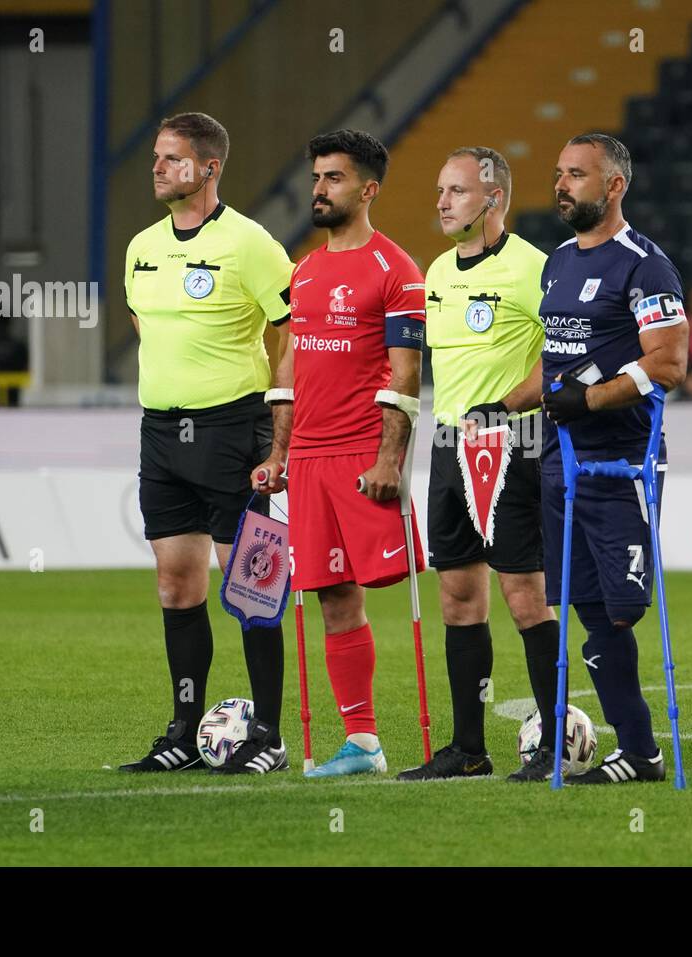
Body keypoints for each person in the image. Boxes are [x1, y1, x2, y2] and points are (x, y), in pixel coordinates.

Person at [119, 112, 295, 775]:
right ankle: (183, 732)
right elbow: (146, 322)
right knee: (175, 584)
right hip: (161, 434)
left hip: (233, 431)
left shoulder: (250, 244)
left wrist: (278, 426)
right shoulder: (141, 246)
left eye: (172, 158)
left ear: (209, 167)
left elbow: (294, 329)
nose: (158, 167)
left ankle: (269, 735)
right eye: (157, 157)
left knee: (251, 587)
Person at [254, 129, 427, 778]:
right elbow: (289, 370)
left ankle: (461, 737)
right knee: (332, 597)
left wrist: (389, 460)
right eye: (316, 178)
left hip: (362, 453)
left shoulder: (396, 270)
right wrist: (279, 454)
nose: (319, 189)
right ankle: (363, 742)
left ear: (368, 188)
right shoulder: (304, 271)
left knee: (397, 589)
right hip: (308, 460)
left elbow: (406, 376)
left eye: (334, 178)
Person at [395, 146, 559, 782]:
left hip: (514, 442)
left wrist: (508, 405)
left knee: (525, 595)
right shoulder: (437, 271)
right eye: (441, 189)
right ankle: (468, 749)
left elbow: (562, 352)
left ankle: (551, 743)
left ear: (493, 199)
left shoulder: (534, 267)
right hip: (448, 444)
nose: (441, 201)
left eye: (456, 191)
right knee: (459, 597)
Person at [537, 133, 689, 785]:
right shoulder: (556, 262)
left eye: (576, 174)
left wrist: (592, 399)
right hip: (561, 458)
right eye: (559, 173)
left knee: (622, 608)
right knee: (587, 609)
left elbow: (671, 362)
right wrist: (497, 408)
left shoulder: (644, 266)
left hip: (621, 461)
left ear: (615, 185)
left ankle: (641, 750)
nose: (561, 185)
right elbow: (554, 363)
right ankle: (640, 751)